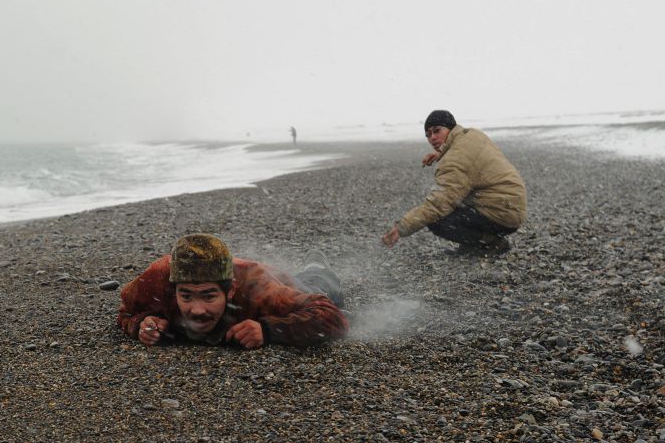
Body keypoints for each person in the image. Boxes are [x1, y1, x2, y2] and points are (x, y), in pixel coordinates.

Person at [117, 233, 348, 349]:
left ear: (230, 291)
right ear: (172, 289)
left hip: (288, 283)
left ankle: (316, 264)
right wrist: (141, 324)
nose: (197, 310)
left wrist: (268, 330)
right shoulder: (156, 281)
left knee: (320, 284)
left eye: (209, 296)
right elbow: (126, 313)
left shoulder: (256, 290)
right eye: (186, 296)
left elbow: (332, 316)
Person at [382, 110, 527, 255]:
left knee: (438, 220)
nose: (432, 138)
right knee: (457, 200)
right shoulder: (471, 134)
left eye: (437, 131)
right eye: (428, 135)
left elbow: (439, 203)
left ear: (450, 128)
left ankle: (492, 243)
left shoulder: (455, 159)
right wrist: (441, 153)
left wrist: (401, 227)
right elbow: (465, 153)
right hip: (512, 206)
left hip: (502, 215)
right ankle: (480, 241)